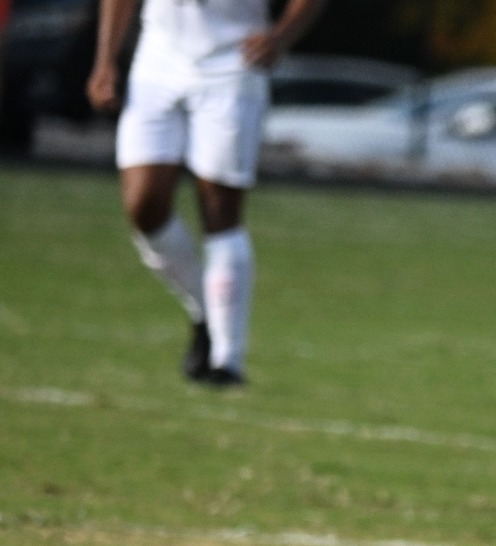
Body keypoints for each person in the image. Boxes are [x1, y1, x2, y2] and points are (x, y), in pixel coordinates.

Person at [89, 0, 325, 388]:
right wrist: (105, 59)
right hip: (159, 58)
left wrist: (281, 38)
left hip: (233, 62)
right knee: (143, 207)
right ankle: (205, 309)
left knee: (219, 210)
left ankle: (227, 361)